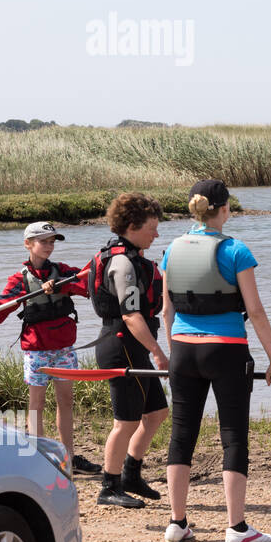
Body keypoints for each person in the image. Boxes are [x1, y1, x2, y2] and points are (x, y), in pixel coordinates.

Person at [160, 179, 271, 542]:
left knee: (182, 435)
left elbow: (167, 309)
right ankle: (236, 528)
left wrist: (173, 355)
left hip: (182, 351)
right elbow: (257, 312)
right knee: (233, 436)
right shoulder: (236, 251)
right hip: (226, 351)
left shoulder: (171, 248)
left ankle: (176, 522)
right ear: (224, 209)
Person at [0, 222, 98, 475]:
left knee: (66, 403)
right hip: (37, 351)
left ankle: (69, 458)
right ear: (28, 244)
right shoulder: (19, 280)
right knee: (35, 406)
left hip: (63, 349)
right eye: (44, 241)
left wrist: (61, 284)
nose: (49, 246)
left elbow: (89, 285)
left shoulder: (63, 271)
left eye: (53, 241)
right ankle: (39, 460)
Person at [88, 196, 171, 507]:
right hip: (121, 347)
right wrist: (159, 353)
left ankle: (130, 474)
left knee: (157, 413)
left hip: (134, 348)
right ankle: (108, 487)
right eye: (152, 228)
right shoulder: (122, 263)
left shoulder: (132, 256)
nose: (156, 234)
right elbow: (131, 315)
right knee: (126, 422)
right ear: (133, 227)